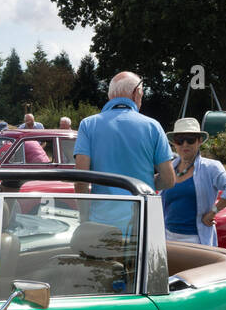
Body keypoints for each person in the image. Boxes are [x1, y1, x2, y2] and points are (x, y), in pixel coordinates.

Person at [74, 72, 174, 215]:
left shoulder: (88, 125)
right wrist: (145, 183)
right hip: (141, 221)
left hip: (102, 221)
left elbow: (81, 180)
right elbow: (168, 179)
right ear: (136, 94)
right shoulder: (153, 126)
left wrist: (84, 217)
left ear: (110, 96)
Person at [160, 118, 226, 245]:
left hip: (197, 240)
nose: (185, 144)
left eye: (190, 139)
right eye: (180, 140)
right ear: (174, 144)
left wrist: (213, 212)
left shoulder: (211, 167)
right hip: (167, 238)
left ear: (200, 141)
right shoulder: (169, 168)